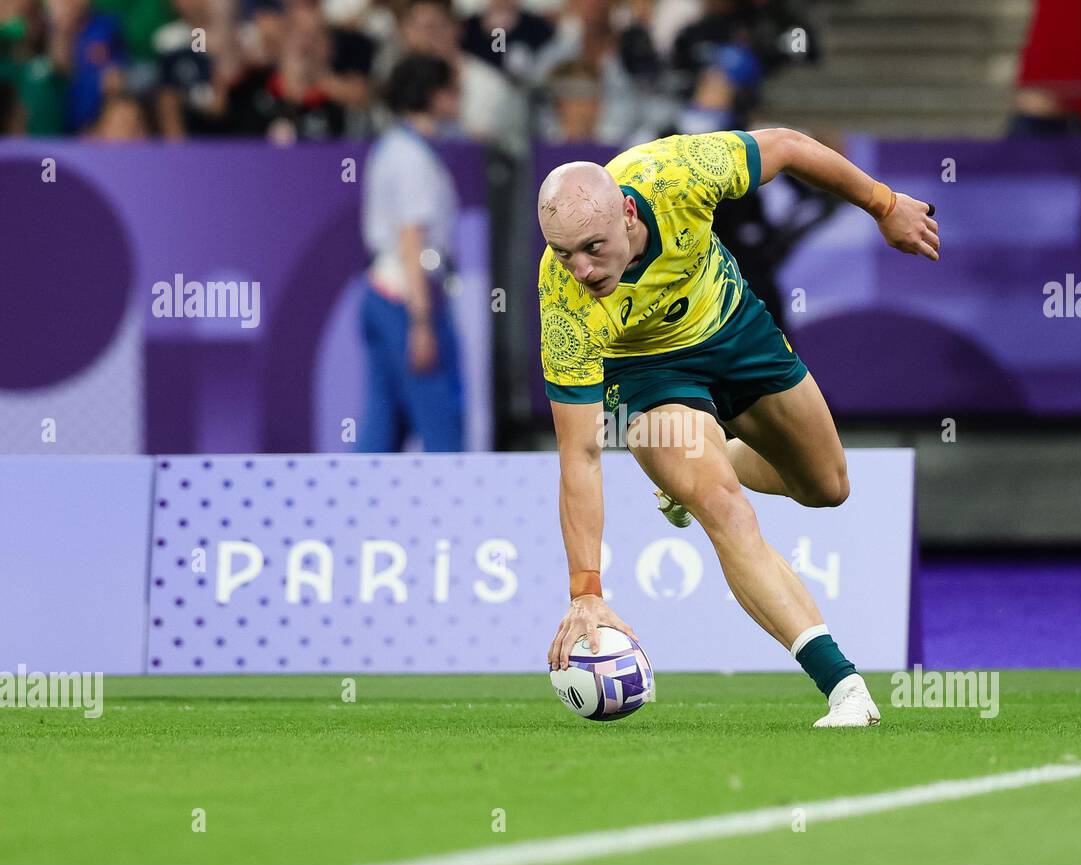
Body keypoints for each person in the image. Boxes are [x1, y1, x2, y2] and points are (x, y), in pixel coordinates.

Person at [537, 129, 938, 727]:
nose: (581, 269)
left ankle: (706, 463)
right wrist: (586, 590)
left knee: (827, 486)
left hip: (733, 330)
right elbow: (581, 455)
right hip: (646, 375)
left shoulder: (677, 174)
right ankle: (844, 687)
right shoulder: (563, 301)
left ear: (626, 211)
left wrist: (883, 203)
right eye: (564, 253)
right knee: (724, 506)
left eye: (593, 247)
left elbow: (788, 146)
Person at [357, 53, 463, 452]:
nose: (461, 98)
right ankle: (457, 512)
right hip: (405, 299)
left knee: (382, 429)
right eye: (454, 90)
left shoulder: (396, 147)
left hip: (383, 294)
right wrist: (421, 322)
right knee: (442, 429)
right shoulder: (412, 158)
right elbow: (410, 241)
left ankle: (353, 508)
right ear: (435, 96)